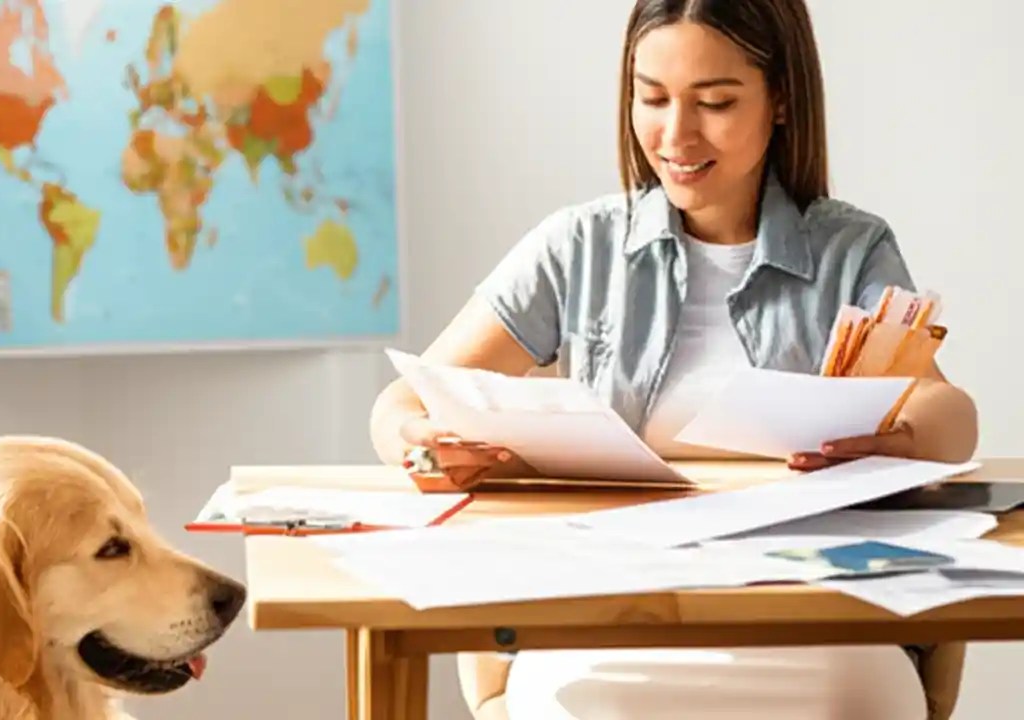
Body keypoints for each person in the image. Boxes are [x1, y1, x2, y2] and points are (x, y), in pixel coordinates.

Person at [368, 0, 979, 717]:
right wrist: (425, 444)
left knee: (849, 698)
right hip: (607, 612)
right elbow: (401, 405)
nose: (676, 135)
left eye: (715, 103)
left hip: (810, 616)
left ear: (781, 99)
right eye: (652, 98)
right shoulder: (578, 249)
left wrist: (900, 440)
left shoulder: (852, 251)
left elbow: (949, 414)